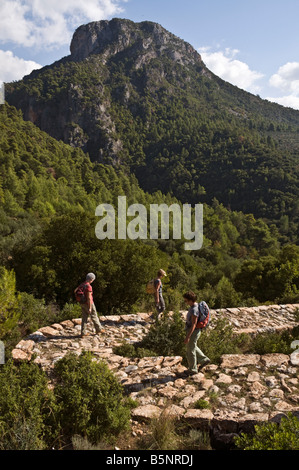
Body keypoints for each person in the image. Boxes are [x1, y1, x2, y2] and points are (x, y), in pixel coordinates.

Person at [183, 291, 210, 375]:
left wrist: (188, 336)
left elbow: (194, 324)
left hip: (193, 331)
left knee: (190, 350)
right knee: (193, 346)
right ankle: (204, 360)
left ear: (191, 300)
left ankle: (192, 369)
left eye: (186, 301)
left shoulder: (194, 309)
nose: (185, 302)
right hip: (194, 330)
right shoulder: (195, 306)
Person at [74, 273, 103, 337]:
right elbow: (89, 298)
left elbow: (75, 291)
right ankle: (99, 329)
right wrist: (90, 308)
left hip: (82, 303)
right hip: (88, 303)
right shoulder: (88, 286)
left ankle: (83, 333)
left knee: (84, 318)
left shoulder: (82, 284)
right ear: (91, 279)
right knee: (94, 316)